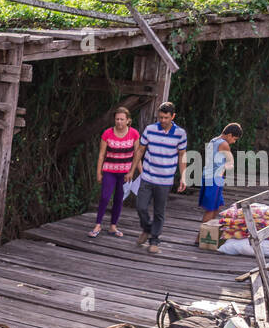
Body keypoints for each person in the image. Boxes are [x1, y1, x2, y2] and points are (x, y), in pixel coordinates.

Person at [130, 101, 188, 255]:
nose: (162, 120)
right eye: (160, 117)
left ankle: (154, 239)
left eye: (166, 118)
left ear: (173, 116)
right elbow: (140, 150)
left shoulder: (180, 134)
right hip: (147, 177)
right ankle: (147, 228)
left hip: (165, 180)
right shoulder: (150, 130)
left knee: (159, 212)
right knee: (140, 206)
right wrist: (131, 171)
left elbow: (182, 156)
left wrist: (183, 177)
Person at [90, 106, 139, 238]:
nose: (119, 122)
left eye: (122, 119)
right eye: (117, 119)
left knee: (118, 199)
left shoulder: (134, 134)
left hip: (125, 173)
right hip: (109, 171)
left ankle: (113, 226)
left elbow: (137, 155)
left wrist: (138, 172)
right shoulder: (107, 133)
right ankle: (98, 224)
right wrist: (98, 173)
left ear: (128, 120)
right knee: (105, 197)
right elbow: (101, 154)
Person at [200, 123, 241, 222]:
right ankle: (201, 237)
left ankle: (208, 233)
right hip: (214, 178)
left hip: (207, 176)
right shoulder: (224, 144)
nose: (234, 142)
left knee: (216, 207)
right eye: (234, 139)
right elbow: (230, 162)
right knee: (211, 209)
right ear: (229, 135)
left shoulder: (213, 140)